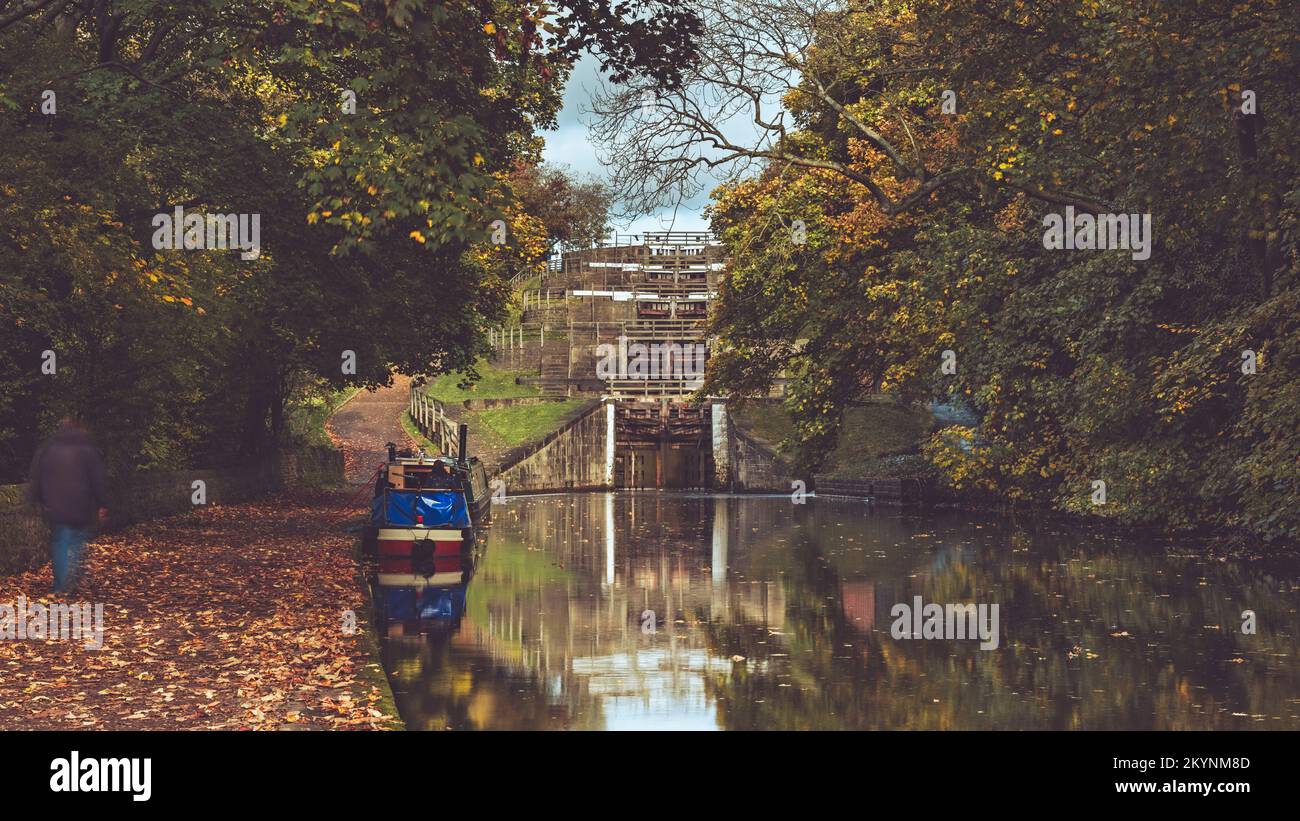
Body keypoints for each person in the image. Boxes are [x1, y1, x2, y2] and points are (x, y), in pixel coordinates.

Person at [26, 416, 108, 594]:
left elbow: (36, 476)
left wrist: (36, 500)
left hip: (56, 506)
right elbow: (97, 479)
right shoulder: (87, 449)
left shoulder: (48, 449)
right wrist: (102, 503)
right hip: (81, 505)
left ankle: (61, 585)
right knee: (77, 541)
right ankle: (75, 579)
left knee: (61, 542)